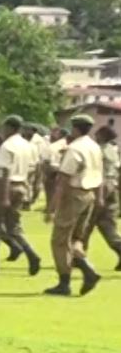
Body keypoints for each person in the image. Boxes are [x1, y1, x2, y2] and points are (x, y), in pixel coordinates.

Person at [44, 115, 104, 297]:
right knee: (76, 238)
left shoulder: (74, 149)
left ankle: (66, 281)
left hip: (74, 194)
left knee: (60, 240)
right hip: (89, 194)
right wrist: (99, 198)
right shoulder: (94, 147)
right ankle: (86, 268)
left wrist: (52, 206)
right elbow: (99, 174)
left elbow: (63, 180)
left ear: (75, 128)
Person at [0, 115, 42, 275]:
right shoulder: (27, 145)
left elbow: (4, 171)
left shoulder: (7, 146)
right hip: (21, 184)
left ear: (9, 128)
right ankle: (26, 252)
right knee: (12, 225)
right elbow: (32, 168)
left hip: (8, 186)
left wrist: (4, 195)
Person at [84, 125, 121, 270]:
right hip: (112, 185)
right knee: (108, 225)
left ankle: (78, 255)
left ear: (103, 135)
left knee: (86, 222)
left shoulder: (98, 151)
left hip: (100, 186)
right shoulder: (112, 150)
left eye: (97, 134)